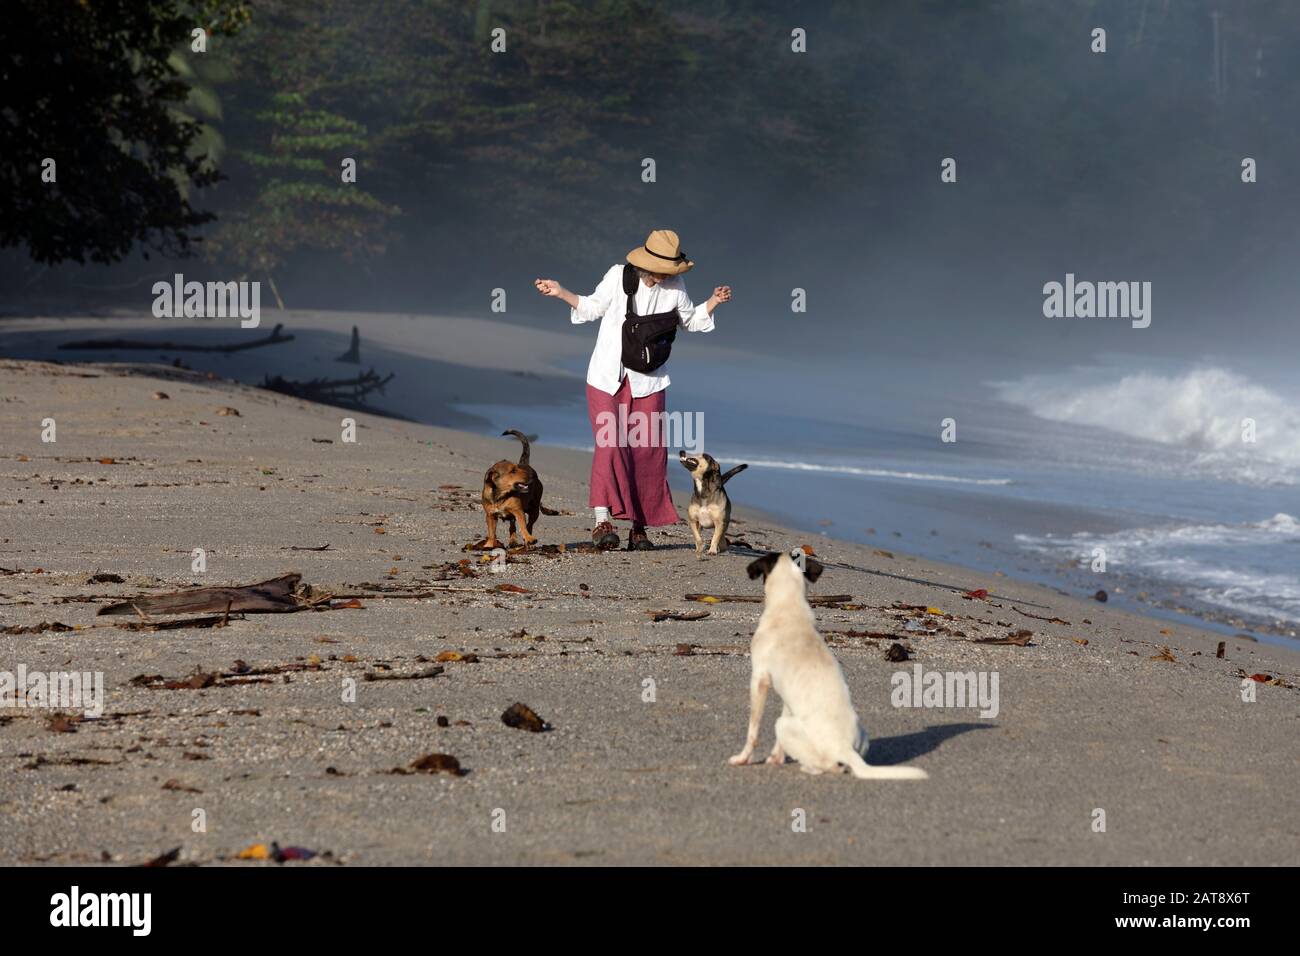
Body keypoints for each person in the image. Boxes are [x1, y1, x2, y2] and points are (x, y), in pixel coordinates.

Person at [534, 229, 732, 550]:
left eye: (668, 271)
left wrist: (713, 302)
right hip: (606, 377)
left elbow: (690, 321)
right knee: (610, 444)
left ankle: (638, 527)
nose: (662, 277)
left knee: (648, 452)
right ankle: (602, 521)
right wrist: (560, 292)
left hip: (650, 380)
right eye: (659, 271)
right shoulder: (618, 277)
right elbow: (591, 308)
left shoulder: (675, 286)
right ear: (646, 264)